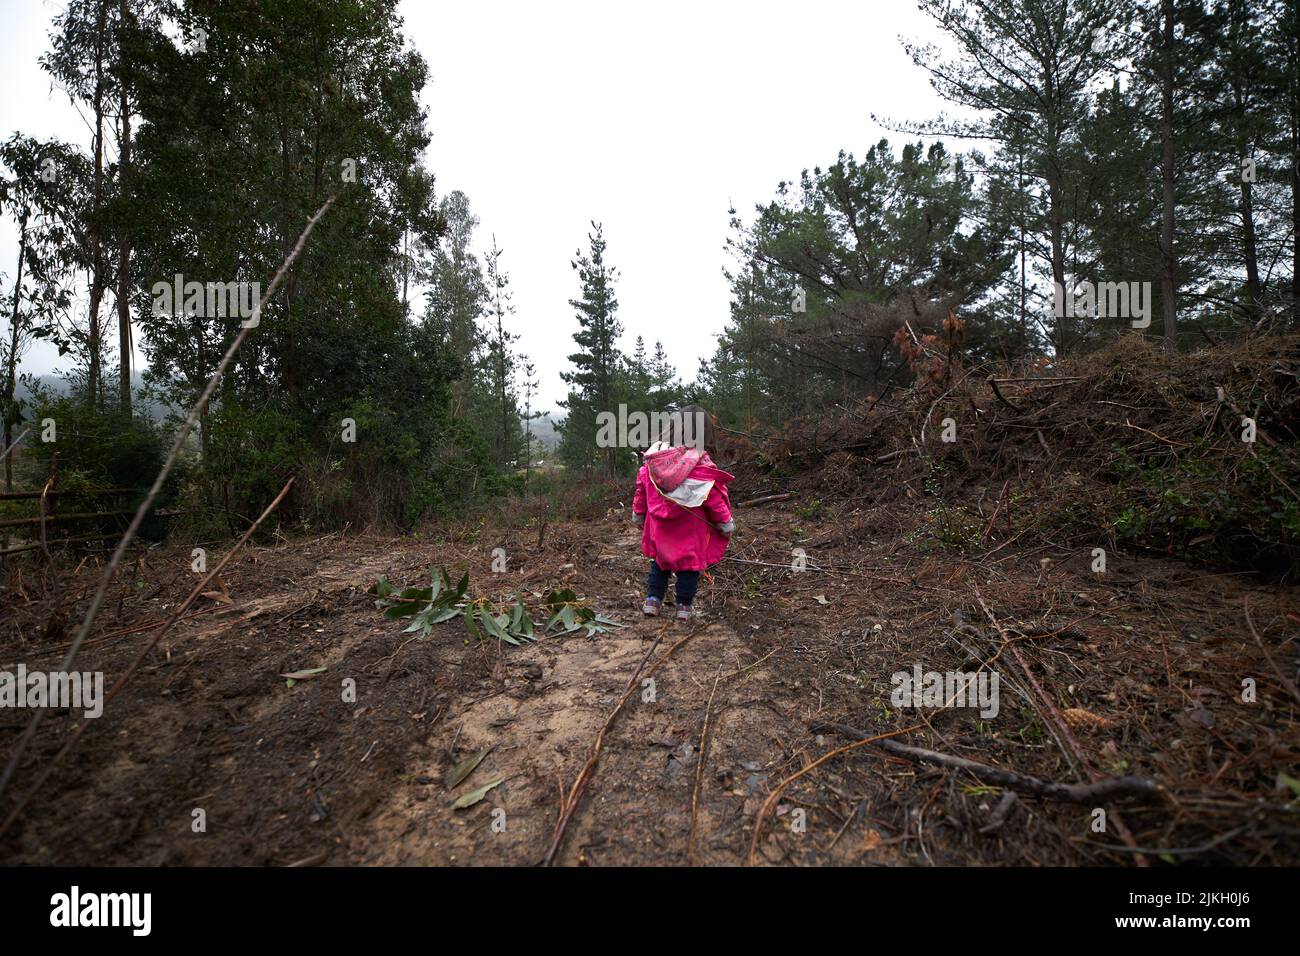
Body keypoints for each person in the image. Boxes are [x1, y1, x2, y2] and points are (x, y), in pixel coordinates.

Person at [631, 405, 734, 622]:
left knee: (660, 563)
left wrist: (638, 514)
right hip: (690, 531)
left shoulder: (656, 460)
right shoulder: (702, 464)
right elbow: (713, 498)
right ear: (704, 433)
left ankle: (652, 601)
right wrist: (725, 522)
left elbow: (642, 487)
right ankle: (684, 608)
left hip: (660, 527)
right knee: (689, 567)